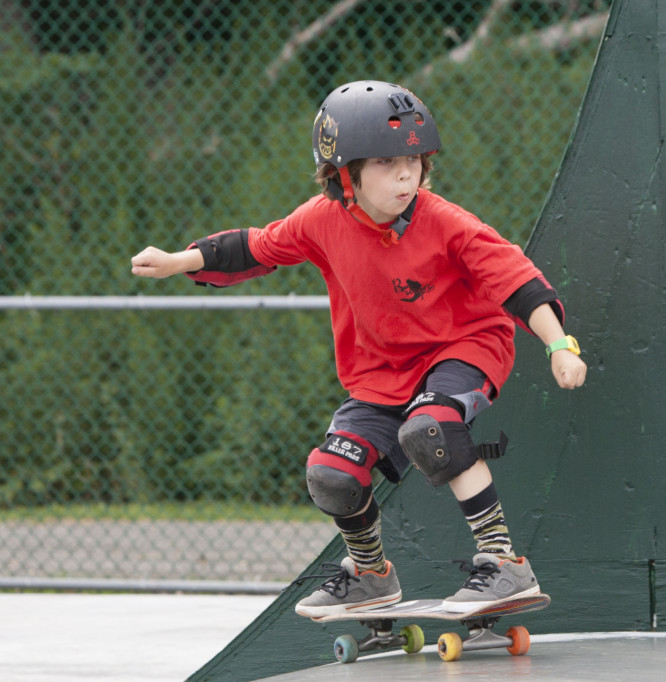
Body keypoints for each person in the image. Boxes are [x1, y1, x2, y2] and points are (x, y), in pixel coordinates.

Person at [130, 80, 587, 617]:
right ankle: (370, 574)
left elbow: (519, 283)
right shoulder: (322, 221)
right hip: (381, 372)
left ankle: (503, 563)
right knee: (332, 473)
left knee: (432, 426)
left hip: (465, 344)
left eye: (414, 161)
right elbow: (255, 247)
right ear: (343, 174)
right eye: (387, 163)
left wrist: (558, 343)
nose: (405, 176)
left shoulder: (446, 224)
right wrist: (178, 262)